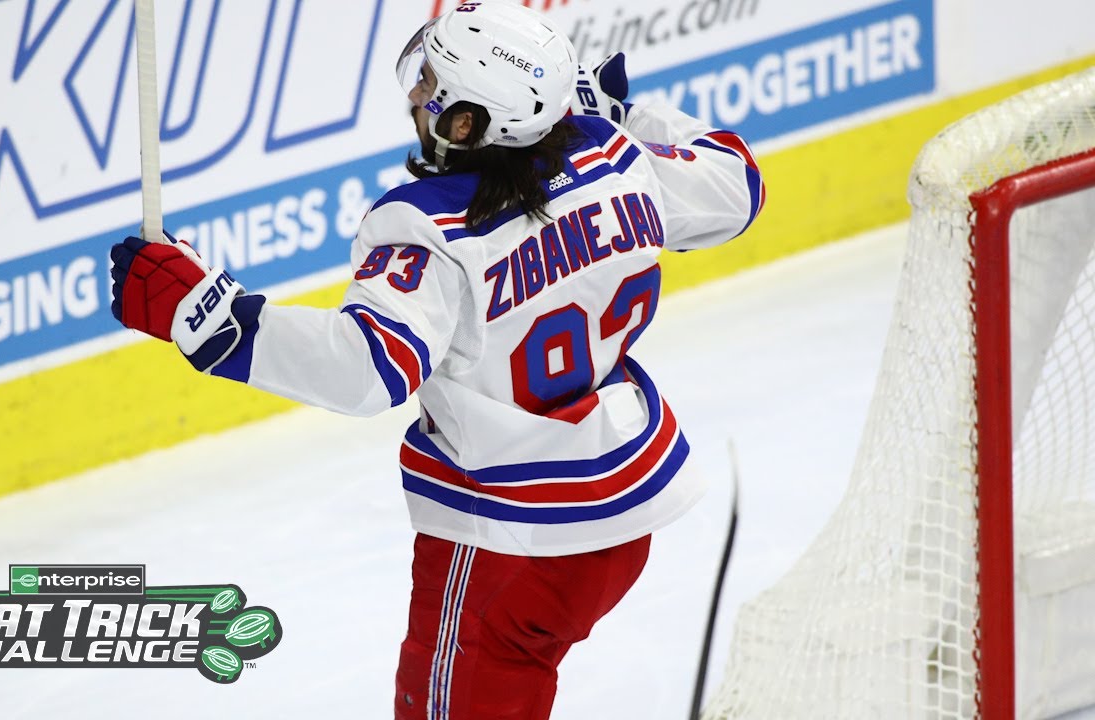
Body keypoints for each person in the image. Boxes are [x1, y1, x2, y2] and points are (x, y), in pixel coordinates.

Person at [110, 2, 764, 717]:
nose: (417, 93)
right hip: (622, 520)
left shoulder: (433, 228)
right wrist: (624, 115)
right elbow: (736, 184)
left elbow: (367, 369)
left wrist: (217, 322)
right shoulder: (621, 160)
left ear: (467, 125)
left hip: (509, 541)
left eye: (432, 84)